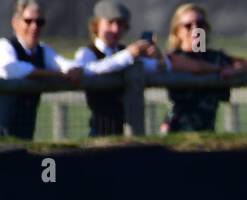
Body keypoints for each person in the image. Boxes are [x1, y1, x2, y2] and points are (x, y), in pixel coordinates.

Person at [72, 1, 167, 136]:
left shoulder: (125, 51)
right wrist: (128, 55)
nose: (116, 29)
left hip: (126, 131)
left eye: (120, 24)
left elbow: (160, 67)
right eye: (110, 23)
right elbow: (89, 69)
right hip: (100, 131)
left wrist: (157, 57)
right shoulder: (87, 53)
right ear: (96, 25)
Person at [160, 2, 247, 133]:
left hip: (207, 131)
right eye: (188, 26)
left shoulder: (214, 57)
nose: (195, 30)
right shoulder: (172, 57)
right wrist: (218, 69)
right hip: (177, 132)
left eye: (200, 24)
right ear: (177, 31)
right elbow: (195, 67)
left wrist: (233, 70)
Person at [0, 1, 83, 140]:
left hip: (25, 131)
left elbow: (63, 63)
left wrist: (74, 69)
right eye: (28, 21)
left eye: (39, 22)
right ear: (15, 22)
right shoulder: (5, 46)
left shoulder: (43, 50)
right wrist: (58, 75)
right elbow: (12, 70)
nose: (34, 26)